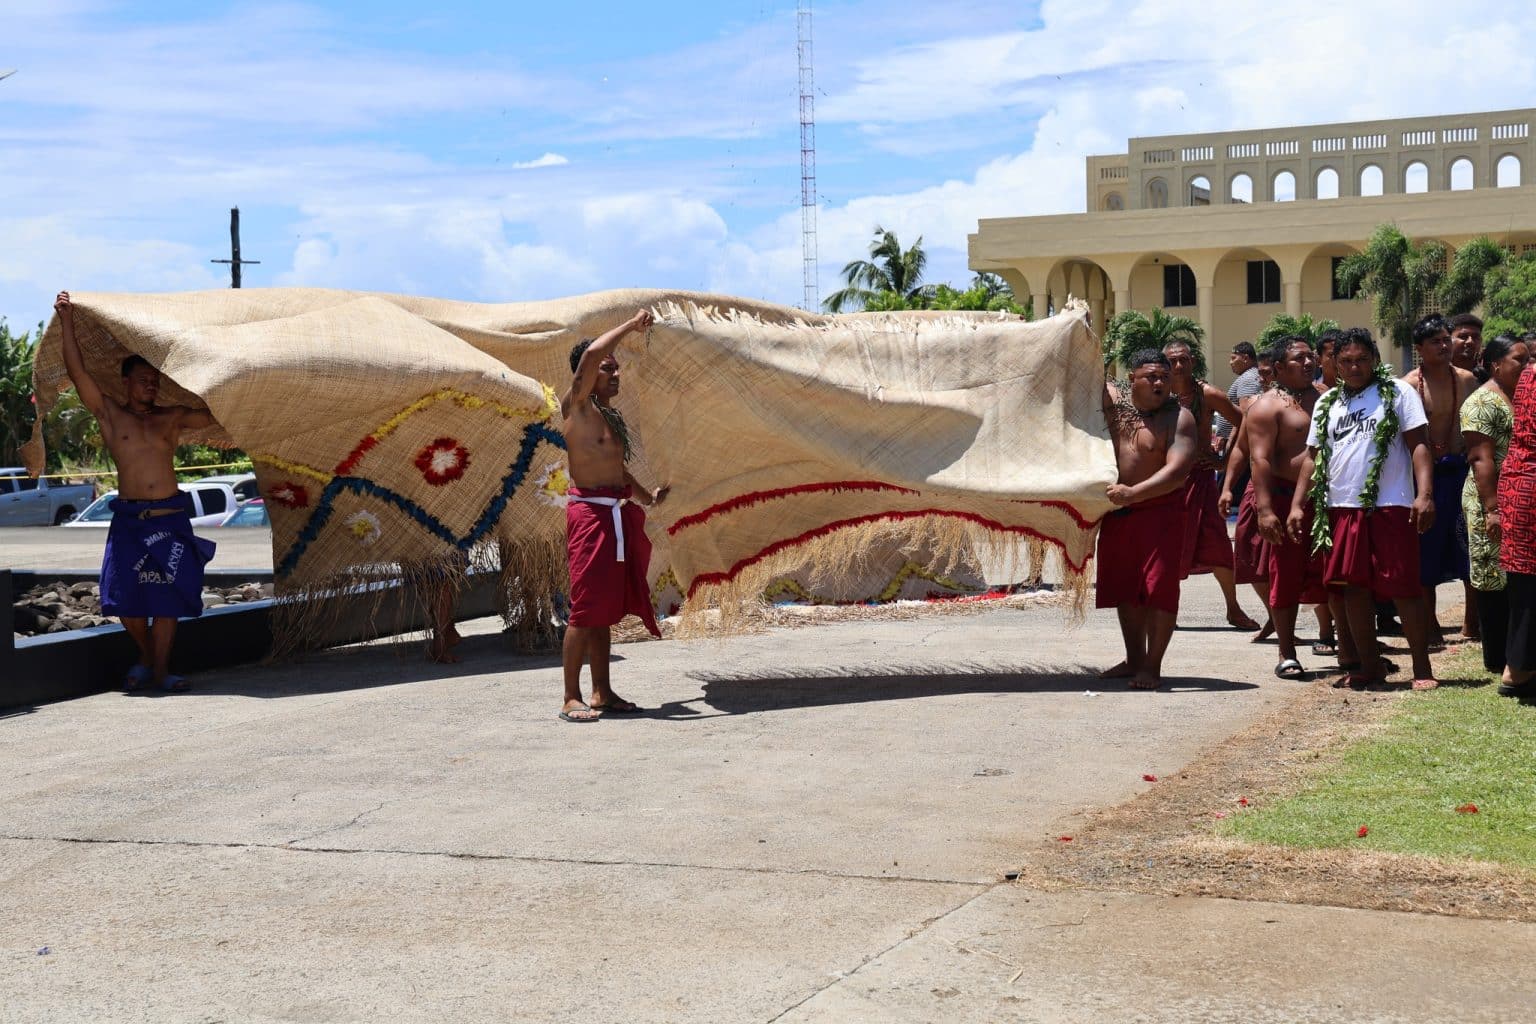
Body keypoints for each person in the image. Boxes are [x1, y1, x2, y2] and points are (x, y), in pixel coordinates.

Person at [54, 291, 217, 693]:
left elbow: (218, 412)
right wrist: (66, 321)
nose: (151, 386)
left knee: (168, 602)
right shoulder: (111, 414)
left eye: (155, 381)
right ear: (126, 382)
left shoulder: (171, 418)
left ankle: (160, 672)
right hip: (129, 521)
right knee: (121, 598)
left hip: (171, 519)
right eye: (144, 380)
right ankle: (147, 656)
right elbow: (78, 373)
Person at [1288, 327, 1437, 690]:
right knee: (1352, 588)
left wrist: (1425, 494)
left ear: (1374, 358)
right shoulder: (1328, 404)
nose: (1355, 368)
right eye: (1347, 362)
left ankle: (1421, 668)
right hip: (1341, 506)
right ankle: (1368, 667)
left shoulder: (1397, 392)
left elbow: (1419, 444)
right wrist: (1296, 504)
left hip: (1391, 503)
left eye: (1362, 360)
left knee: (1404, 587)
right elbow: (1312, 457)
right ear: (1335, 364)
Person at [557, 310, 669, 722]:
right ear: (586, 375)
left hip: (614, 512)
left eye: (618, 370)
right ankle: (571, 697)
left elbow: (617, 472)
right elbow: (590, 357)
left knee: (602, 609)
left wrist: (648, 497)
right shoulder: (578, 405)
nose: (616, 375)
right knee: (585, 607)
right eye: (608, 369)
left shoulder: (607, 416)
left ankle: (602, 691)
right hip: (589, 514)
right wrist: (630, 326)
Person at [1097, 349, 1198, 691]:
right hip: (1119, 515)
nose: (1159, 383)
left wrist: (1133, 493)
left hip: (1161, 515)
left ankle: (1152, 667)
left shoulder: (1180, 418)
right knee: (1126, 590)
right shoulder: (1114, 404)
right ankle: (1134, 659)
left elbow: (1177, 473)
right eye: (1151, 377)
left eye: (1164, 378)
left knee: (1159, 591)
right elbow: (1085, 375)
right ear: (1132, 380)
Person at [1162, 340, 1262, 631]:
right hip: (1167, 484)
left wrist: (1224, 461)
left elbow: (1244, 421)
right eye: (1172, 361)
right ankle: (1167, 612)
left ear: (1192, 361)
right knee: (1168, 549)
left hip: (1200, 480)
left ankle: (1233, 609)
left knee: (1217, 546)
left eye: (1183, 360)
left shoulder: (1207, 395)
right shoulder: (1158, 394)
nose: (1178, 366)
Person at [1248, 337, 1331, 678]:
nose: (1309, 362)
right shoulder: (1267, 406)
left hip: (1327, 498)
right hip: (1284, 499)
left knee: (1335, 573)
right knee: (1285, 576)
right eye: (1299, 359)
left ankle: (1346, 645)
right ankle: (1286, 652)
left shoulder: (1327, 397)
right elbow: (1260, 459)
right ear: (1280, 368)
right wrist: (1265, 509)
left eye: (1310, 357)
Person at [1402, 314, 1478, 644]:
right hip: (1424, 478)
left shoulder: (1466, 379)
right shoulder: (1407, 385)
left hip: (1460, 472)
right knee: (1425, 553)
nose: (1445, 345)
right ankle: (1429, 625)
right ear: (1419, 348)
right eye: (1436, 341)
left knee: (1469, 550)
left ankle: (1471, 624)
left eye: (1447, 339)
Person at [1461, 335, 1530, 677]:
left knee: (1514, 576)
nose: (1527, 365)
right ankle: (1496, 658)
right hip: (1489, 499)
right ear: (1496, 365)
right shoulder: (1482, 402)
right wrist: (1493, 508)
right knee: (1491, 576)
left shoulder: (1519, 395)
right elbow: (1480, 458)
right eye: (1520, 360)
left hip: (1518, 499)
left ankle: (1516, 654)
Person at [1495, 340, 1536, 697]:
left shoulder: (1528, 376)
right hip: (1530, 486)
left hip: (1519, 484)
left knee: (1524, 583)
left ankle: (1517, 666)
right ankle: (1519, 670)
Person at [1213, 341, 1260, 454]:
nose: (1230, 363)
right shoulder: (1249, 376)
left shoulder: (1249, 378)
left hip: (1237, 446)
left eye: (1233, 358)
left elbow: (1245, 416)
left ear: (1245, 358)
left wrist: (1230, 445)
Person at [1314, 328, 1343, 394]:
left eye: (1341, 354)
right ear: (1319, 360)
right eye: (1332, 355)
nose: (1338, 359)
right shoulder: (1311, 392)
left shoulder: (1359, 390)